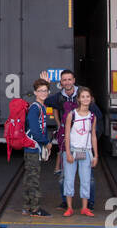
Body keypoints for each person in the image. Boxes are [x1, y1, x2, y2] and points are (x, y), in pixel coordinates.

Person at [41, 69, 103, 208]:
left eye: (70, 79)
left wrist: (93, 141)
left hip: (84, 145)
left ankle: (89, 203)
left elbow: (98, 117)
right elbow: (45, 100)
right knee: (65, 176)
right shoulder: (59, 97)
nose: (67, 82)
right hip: (68, 144)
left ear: (74, 80)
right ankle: (65, 202)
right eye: (64, 80)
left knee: (88, 177)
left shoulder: (84, 96)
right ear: (61, 83)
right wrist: (46, 86)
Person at [60, 86, 98, 217]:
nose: (85, 99)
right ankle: (69, 207)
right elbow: (67, 134)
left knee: (86, 180)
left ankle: (84, 207)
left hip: (86, 151)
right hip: (72, 150)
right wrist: (68, 153)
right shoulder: (72, 115)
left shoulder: (92, 116)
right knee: (69, 179)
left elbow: (93, 136)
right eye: (83, 97)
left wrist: (95, 155)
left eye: (88, 97)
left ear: (91, 99)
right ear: (79, 99)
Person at [21, 79, 52, 217]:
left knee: (29, 177)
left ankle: (27, 206)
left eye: (45, 90)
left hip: (34, 148)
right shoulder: (35, 108)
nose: (43, 93)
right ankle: (35, 209)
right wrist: (46, 142)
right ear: (35, 92)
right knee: (33, 179)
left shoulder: (41, 107)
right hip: (33, 148)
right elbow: (35, 130)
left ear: (48, 92)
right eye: (40, 91)